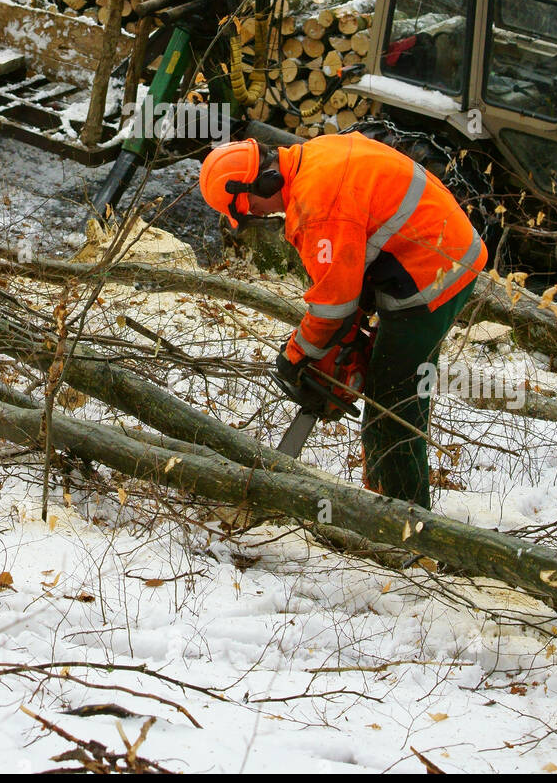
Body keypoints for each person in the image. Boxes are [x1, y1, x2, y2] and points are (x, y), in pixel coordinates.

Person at [198, 134, 488, 507]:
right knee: (385, 381)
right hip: (426, 248)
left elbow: (335, 303)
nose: (258, 214)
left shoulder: (317, 203)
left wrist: (297, 353)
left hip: (434, 273)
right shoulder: (312, 156)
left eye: (251, 206)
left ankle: (408, 521)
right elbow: (350, 264)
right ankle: (381, 495)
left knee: (395, 404)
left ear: (266, 182)